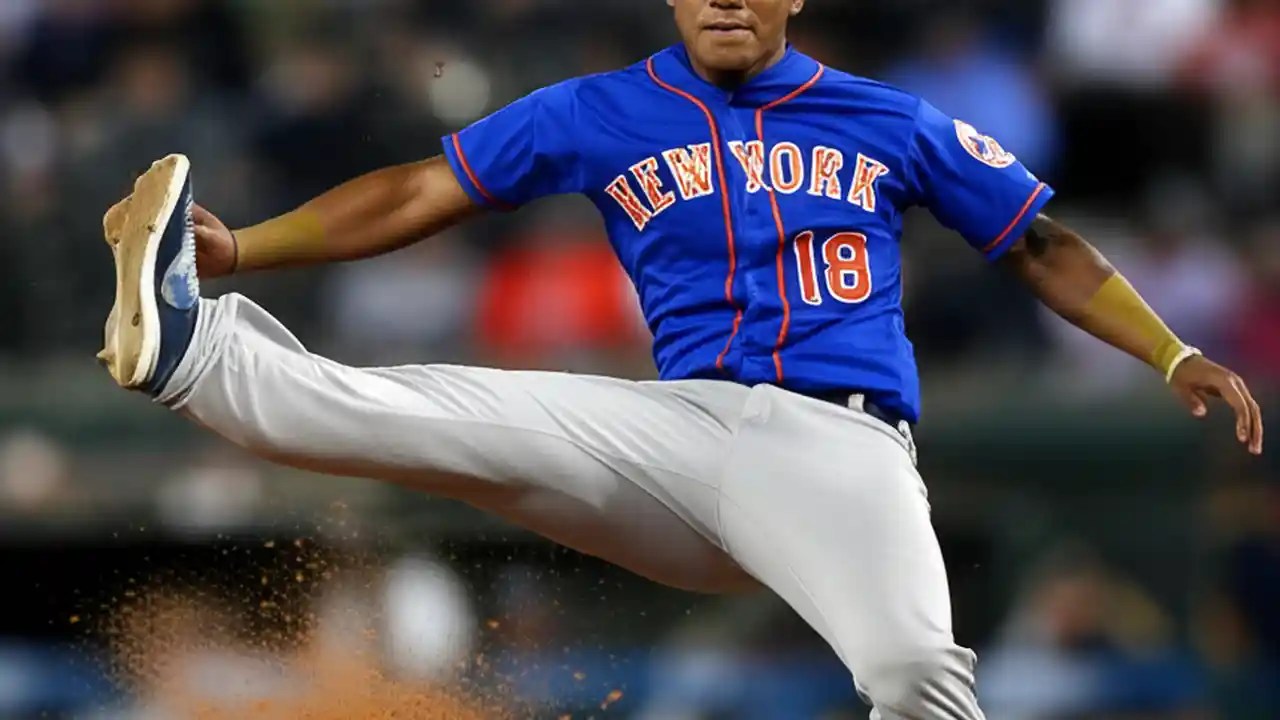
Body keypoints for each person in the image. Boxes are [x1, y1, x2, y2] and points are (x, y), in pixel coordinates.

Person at [95, 1, 1264, 717]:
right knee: (431, 418)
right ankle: (198, 349)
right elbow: (421, 189)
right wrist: (248, 245)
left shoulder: (886, 118)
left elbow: (1038, 243)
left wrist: (1169, 354)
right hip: (681, 437)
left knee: (913, 674)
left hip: (838, 450)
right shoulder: (601, 108)